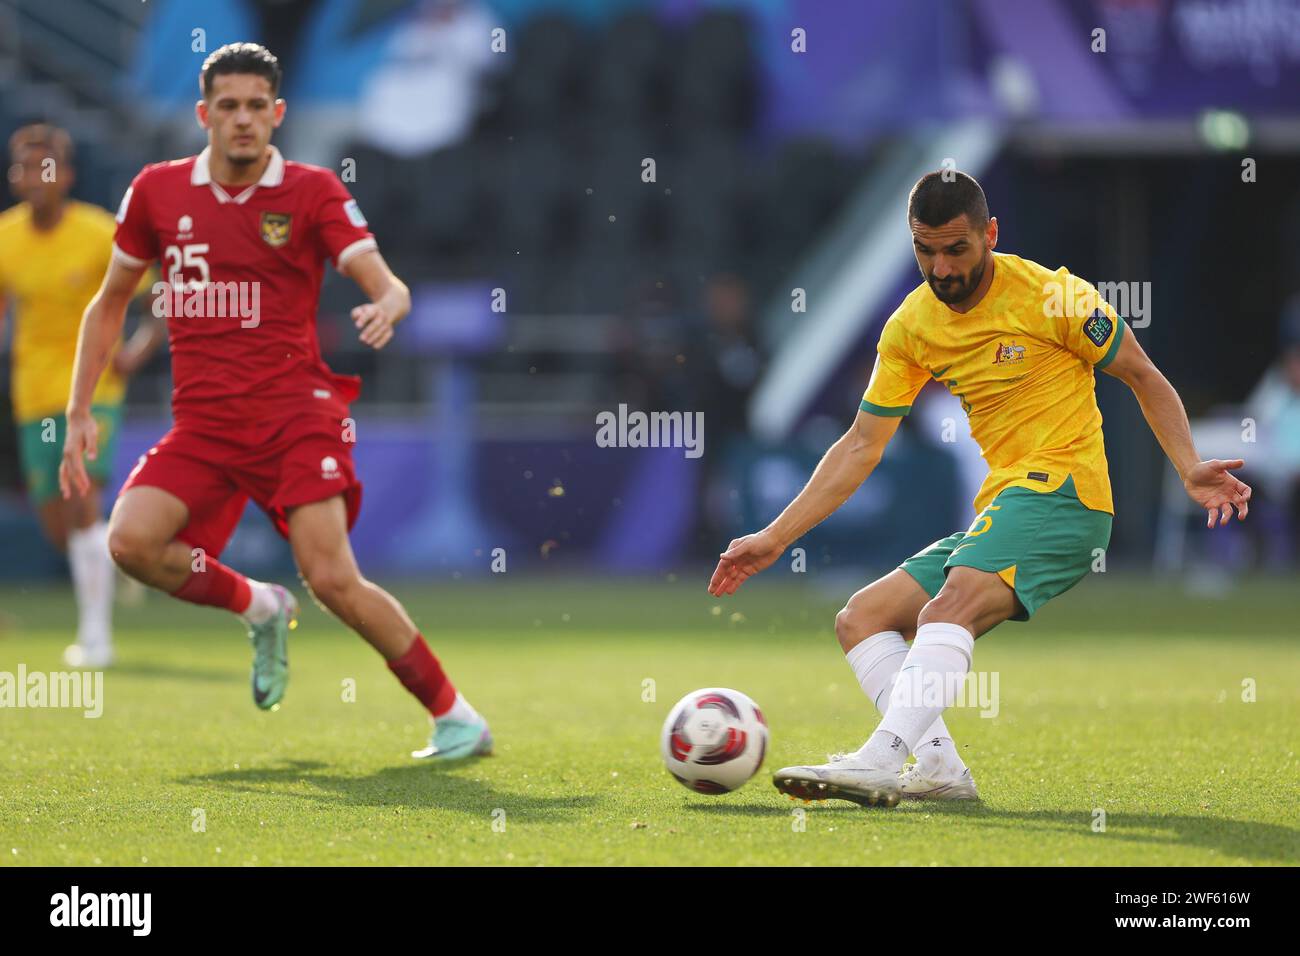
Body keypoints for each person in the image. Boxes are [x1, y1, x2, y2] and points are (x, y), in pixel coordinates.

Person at [708, 171, 1251, 806]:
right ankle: (938, 769)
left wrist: (1187, 466)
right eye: (925, 251)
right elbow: (861, 444)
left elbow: (1142, 375)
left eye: (956, 249)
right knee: (861, 620)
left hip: (1066, 496)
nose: (941, 267)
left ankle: (880, 759)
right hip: (1007, 503)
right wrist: (776, 536)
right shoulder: (911, 326)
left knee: (950, 606)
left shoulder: (1054, 297)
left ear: (990, 234)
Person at [60, 43, 491, 761]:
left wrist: (388, 301)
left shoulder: (313, 191)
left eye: (257, 106)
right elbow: (108, 307)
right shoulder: (157, 192)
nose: (243, 120)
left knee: (332, 578)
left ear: (278, 113)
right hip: (202, 427)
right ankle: (259, 605)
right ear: (203, 114)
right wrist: (79, 410)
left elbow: (384, 280)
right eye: (227, 106)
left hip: (295, 415)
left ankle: (456, 716)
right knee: (130, 543)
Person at [0, 123, 163, 668]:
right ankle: (120, 555)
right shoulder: (7, 237)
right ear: (14, 176)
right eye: (24, 166)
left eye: (46, 166)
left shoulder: (100, 233)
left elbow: (157, 298)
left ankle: (96, 639)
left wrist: (133, 354)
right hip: (34, 395)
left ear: (67, 175)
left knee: (80, 500)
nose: (35, 177)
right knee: (57, 521)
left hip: (94, 388)